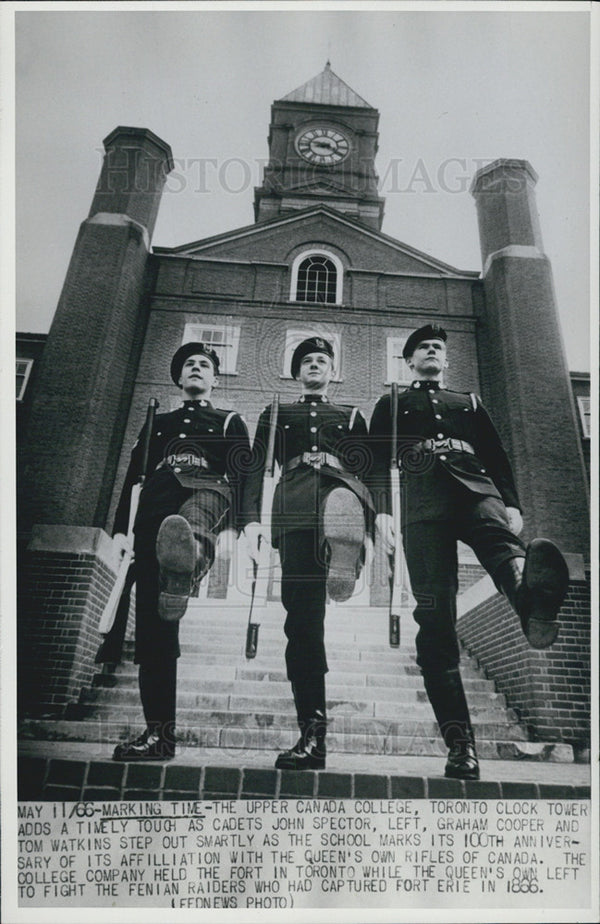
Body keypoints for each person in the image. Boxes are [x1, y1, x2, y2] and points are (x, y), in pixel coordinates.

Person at [368, 324, 569, 781]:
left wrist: (513, 502)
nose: (433, 351)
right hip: (422, 504)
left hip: (478, 490)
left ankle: (532, 603)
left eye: (438, 347)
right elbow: (377, 461)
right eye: (424, 347)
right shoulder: (392, 402)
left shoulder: (469, 402)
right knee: (435, 620)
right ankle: (462, 746)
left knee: (504, 547)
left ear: (445, 359)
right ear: (409, 360)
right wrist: (380, 513)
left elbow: (496, 454)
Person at [111, 342, 250, 761]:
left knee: (191, 527)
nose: (196, 369)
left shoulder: (228, 420)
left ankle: (190, 563)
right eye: (189, 364)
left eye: (204, 365)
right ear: (179, 377)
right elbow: (134, 477)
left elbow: (243, 474)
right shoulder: (158, 421)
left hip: (208, 491)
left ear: (214, 378)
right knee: (156, 628)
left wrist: (246, 524)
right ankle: (159, 735)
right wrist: (121, 531)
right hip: (154, 507)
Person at [243, 337, 374, 770]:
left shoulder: (351, 415)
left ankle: (346, 549)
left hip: (341, 492)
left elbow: (371, 468)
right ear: (297, 372)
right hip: (295, 505)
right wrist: (251, 522)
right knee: (302, 621)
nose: (315, 364)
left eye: (322, 359)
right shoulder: (277, 412)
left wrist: (382, 520)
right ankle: (312, 732)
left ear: (332, 371)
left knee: (344, 504)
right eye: (307, 361)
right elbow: (255, 465)